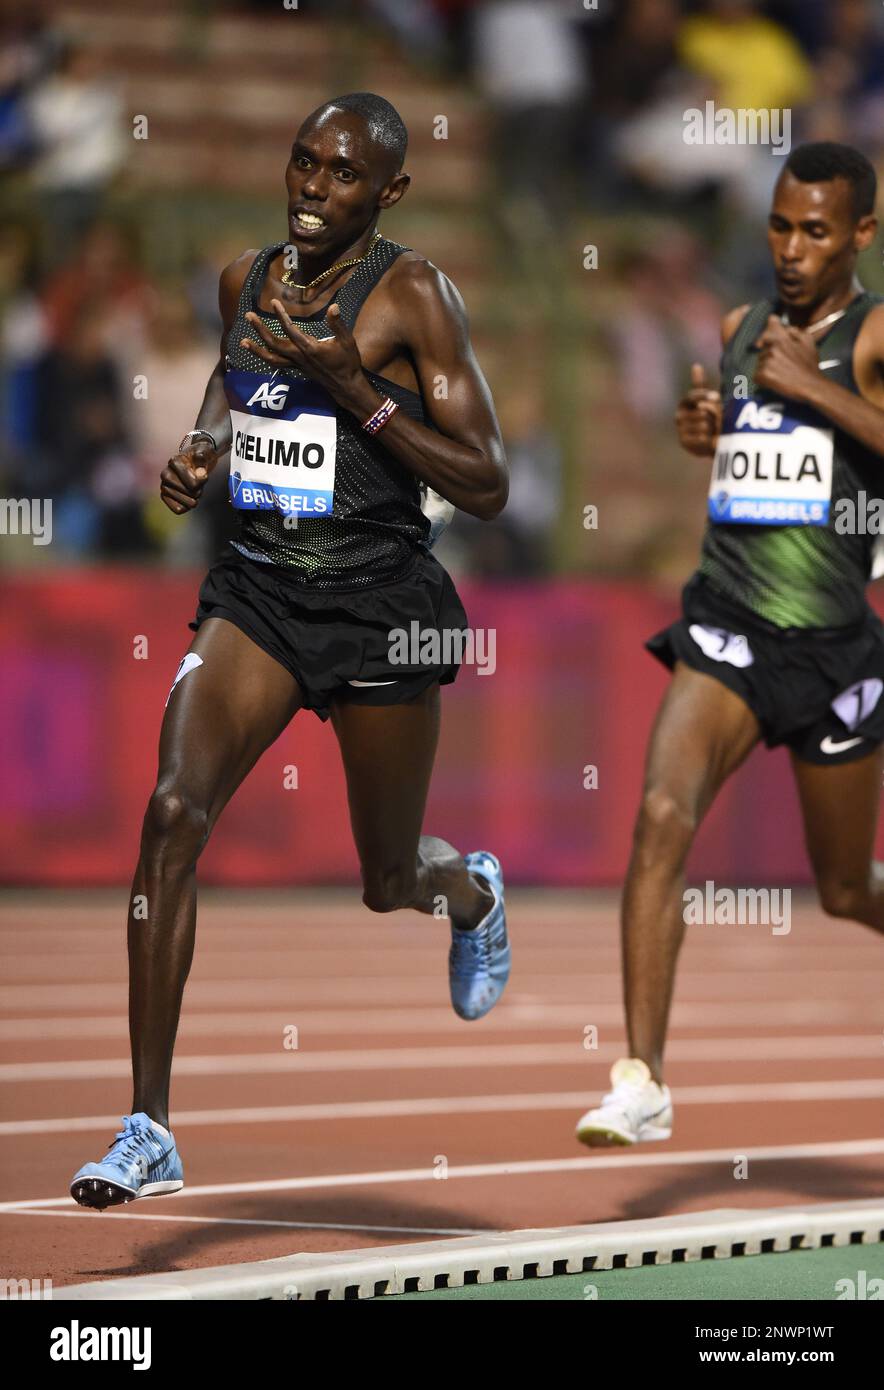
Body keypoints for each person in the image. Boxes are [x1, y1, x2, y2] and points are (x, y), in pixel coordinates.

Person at [70, 92, 510, 1208]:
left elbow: (486, 482)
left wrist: (353, 387)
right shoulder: (242, 279)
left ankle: (465, 893)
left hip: (376, 604)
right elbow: (235, 378)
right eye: (303, 162)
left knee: (384, 878)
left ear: (389, 194)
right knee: (173, 814)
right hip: (260, 594)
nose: (313, 187)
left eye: (343, 174)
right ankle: (149, 1124)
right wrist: (204, 448)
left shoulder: (412, 294)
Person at [576, 142, 884, 1146]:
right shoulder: (737, 326)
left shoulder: (873, 334)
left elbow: (835, 422)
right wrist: (709, 429)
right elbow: (755, 445)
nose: (790, 249)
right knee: (660, 815)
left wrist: (810, 387)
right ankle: (641, 1079)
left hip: (835, 651)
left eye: (815, 231)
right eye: (777, 225)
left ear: (861, 235)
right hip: (728, 627)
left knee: (843, 890)